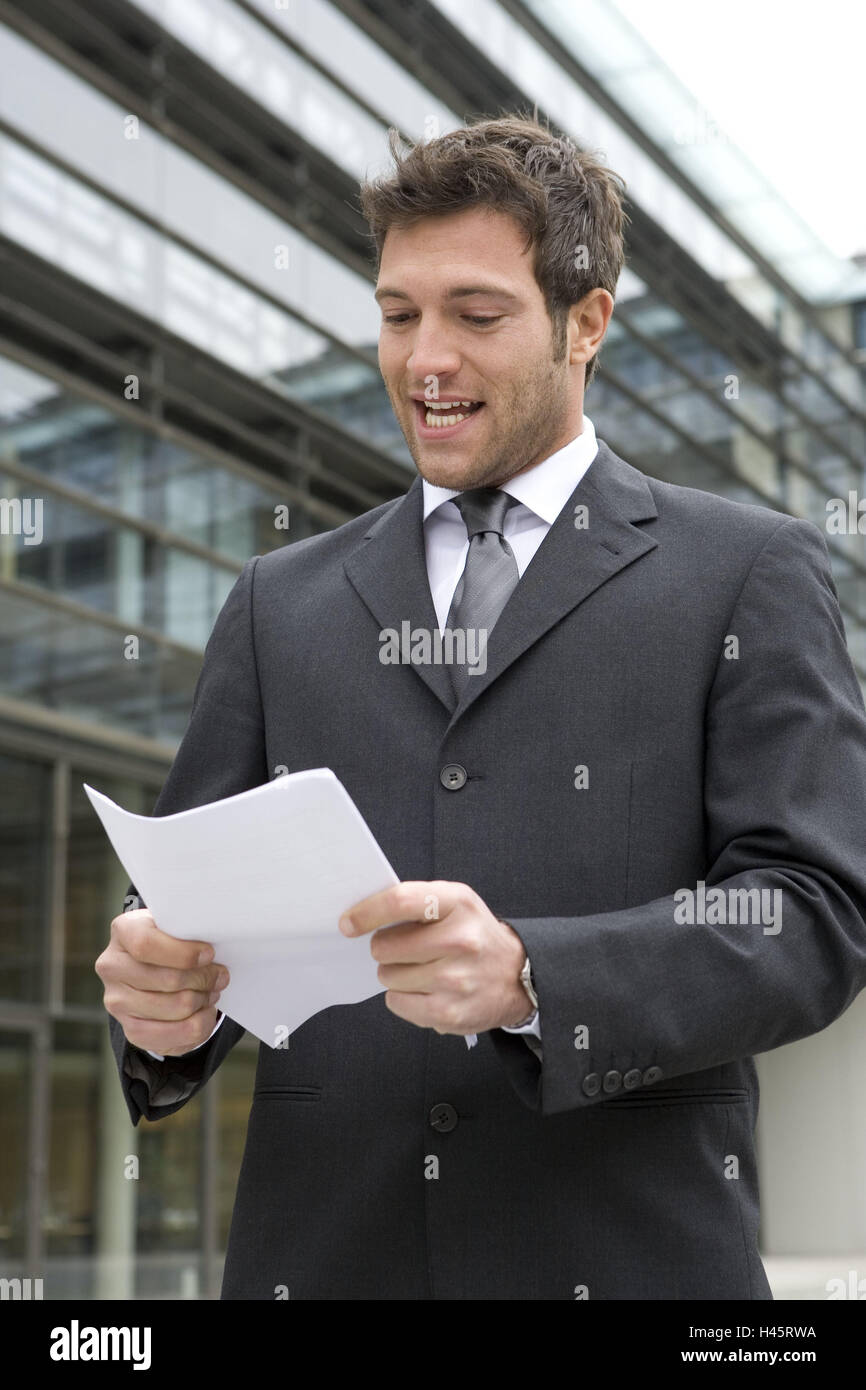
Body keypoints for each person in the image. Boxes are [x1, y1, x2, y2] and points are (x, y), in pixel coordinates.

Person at [96, 114, 866, 1300]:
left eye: (475, 313)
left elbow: (811, 913)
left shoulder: (744, 572)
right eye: (398, 314)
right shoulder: (277, 602)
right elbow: (186, 908)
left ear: (586, 323)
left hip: (624, 1267)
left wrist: (533, 975)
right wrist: (163, 1004)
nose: (423, 360)